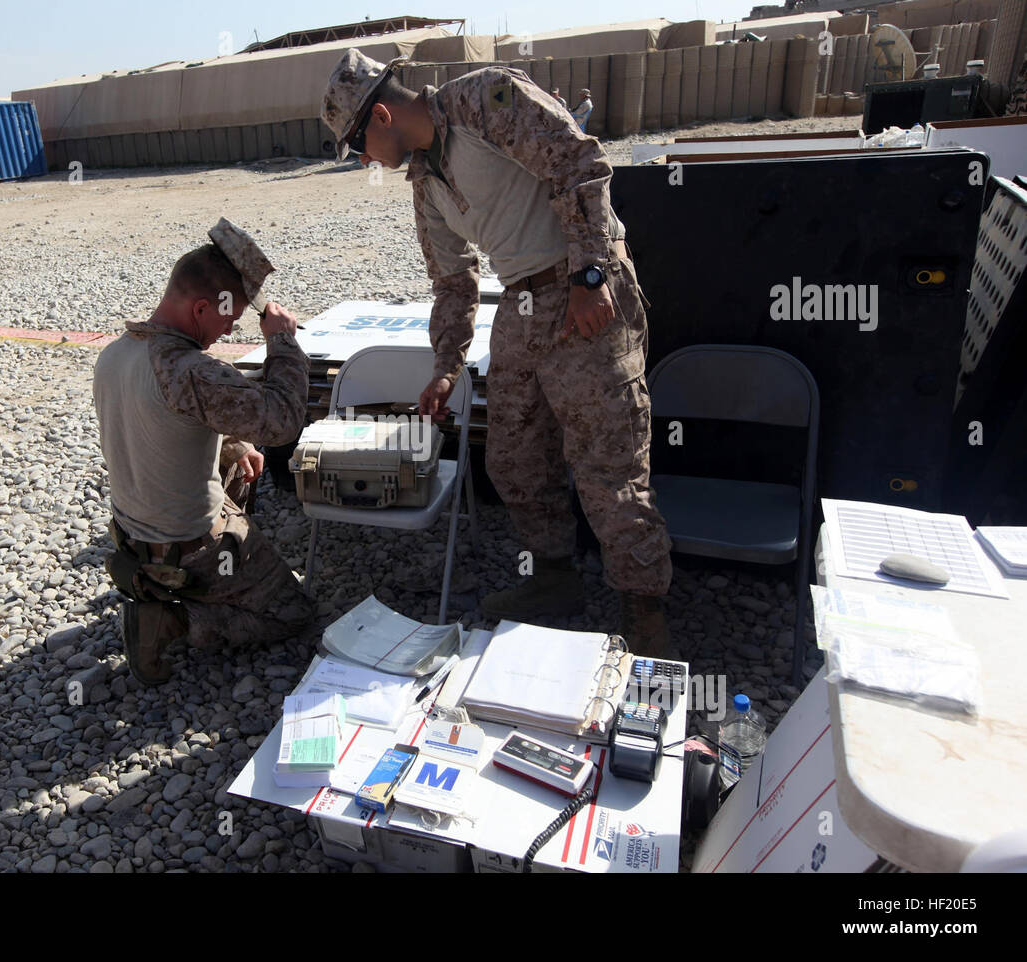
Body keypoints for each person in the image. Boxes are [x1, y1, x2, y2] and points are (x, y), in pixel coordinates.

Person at [320, 50, 674, 656]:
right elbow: (453, 282)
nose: (361, 160)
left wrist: (591, 276)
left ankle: (645, 615)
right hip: (523, 303)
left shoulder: (486, 101)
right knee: (512, 456)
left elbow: (581, 164)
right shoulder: (425, 183)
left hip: (583, 285)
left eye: (357, 144)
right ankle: (554, 579)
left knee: (608, 466)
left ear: (380, 115)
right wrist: (445, 366)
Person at [93, 219, 314, 684]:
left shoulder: (117, 352)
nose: (230, 328)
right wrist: (284, 341)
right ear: (198, 308)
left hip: (133, 534)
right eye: (227, 319)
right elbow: (282, 422)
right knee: (294, 614)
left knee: (239, 458)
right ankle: (177, 620)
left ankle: (167, 591)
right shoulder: (191, 371)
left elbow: (165, 420)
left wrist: (234, 444)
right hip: (190, 547)